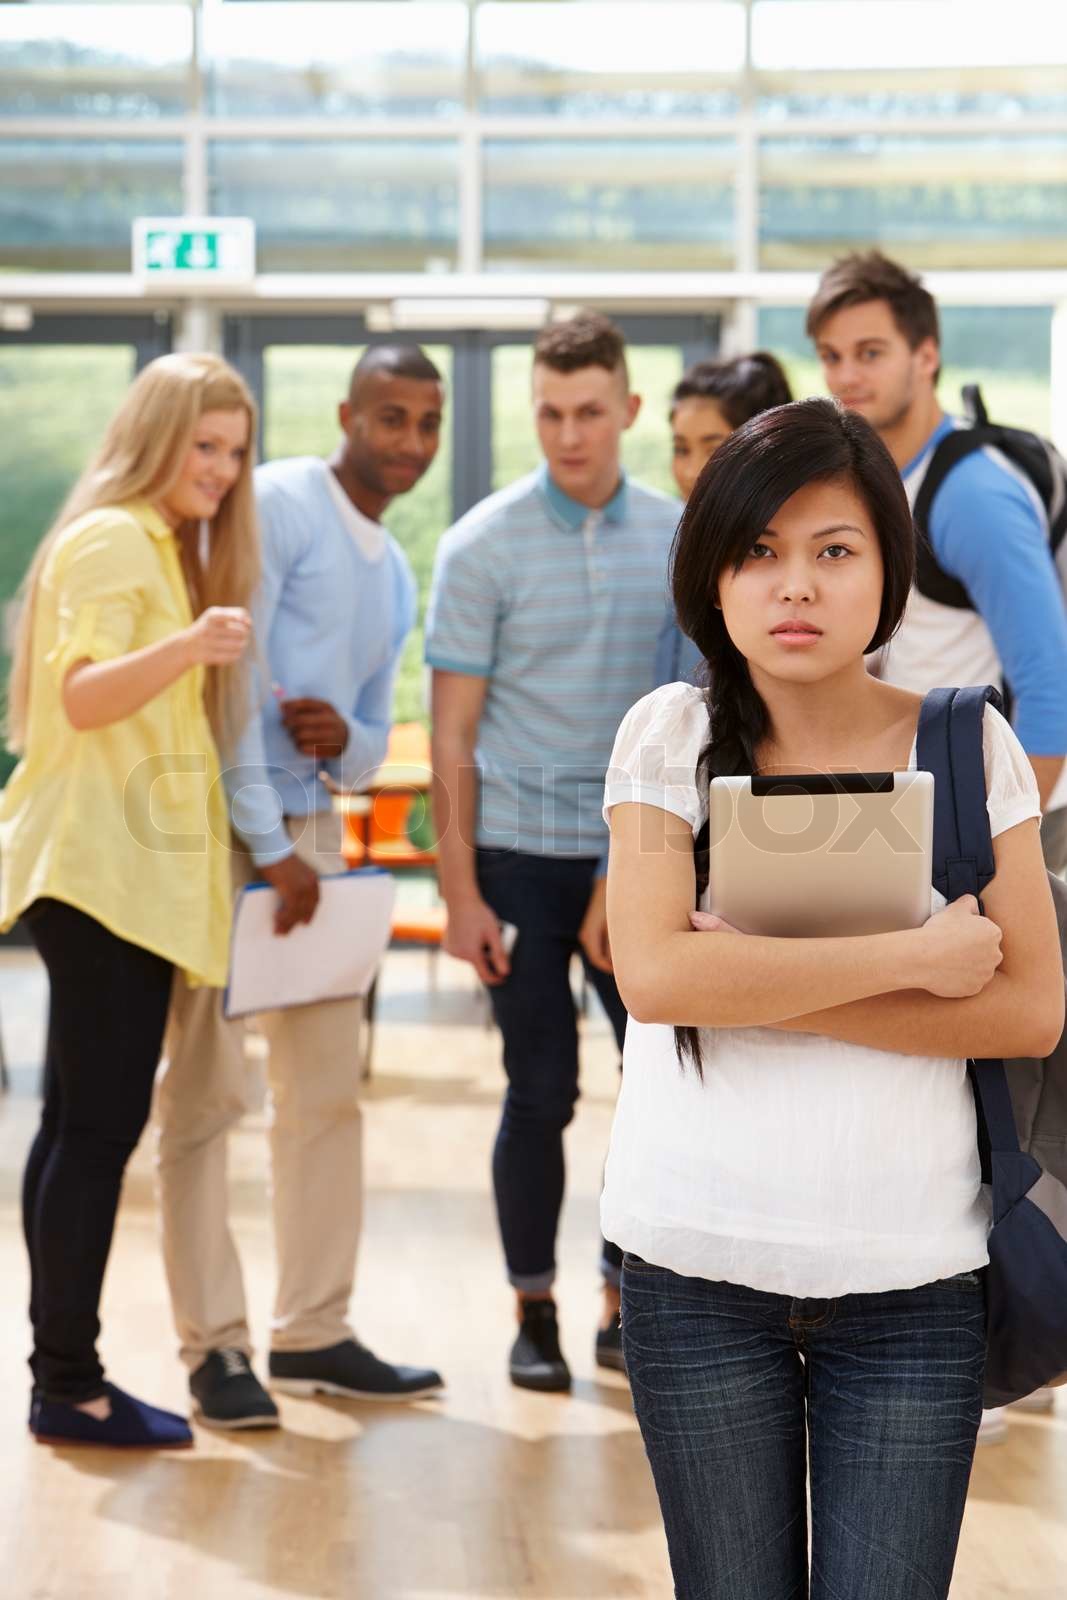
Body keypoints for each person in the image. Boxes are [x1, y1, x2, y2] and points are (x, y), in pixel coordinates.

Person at [602, 397, 1064, 1599]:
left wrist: (744, 978)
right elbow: (654, 976)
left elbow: (1026, 1010)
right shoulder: (669, 735)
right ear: (712, 575)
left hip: (912, 1276)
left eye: (832, 550)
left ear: (885, 571)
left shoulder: (969, 748)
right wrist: (909, 958)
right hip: (692, 1266)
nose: (791, 585)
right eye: (757, 552)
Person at [155, 344, 445, 1430]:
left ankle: (313, 1331)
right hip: (232, 837)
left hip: (311, 838)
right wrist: (267, 839)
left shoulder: (397, 570)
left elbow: (367, 751)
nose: (408, 442)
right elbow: (228, 684)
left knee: (325, 1095)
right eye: (390, 417)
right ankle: (213, 1349)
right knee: (205, 1095)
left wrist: (350, 735)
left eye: (426, 422)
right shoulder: (277, 505)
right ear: (346, 414)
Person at [0, 353, 258, 1448]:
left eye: (236, 452)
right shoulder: (116, 537)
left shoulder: (152, 542)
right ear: (155, 437)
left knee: (77, 1128)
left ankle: (65, 1374)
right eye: (203, 445)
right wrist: (192, 645)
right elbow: (80, 692)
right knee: (93, 1133)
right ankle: (70, 1383)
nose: (220, 469)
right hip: (103, 880)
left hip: (114, 883)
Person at [427, 311, 679, 1390]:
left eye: (587, 411)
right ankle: (532, 1309)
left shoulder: (680, 535)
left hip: (647, 855)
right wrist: (456, 894)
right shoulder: (476, 543)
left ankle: (627, 1298)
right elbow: (448, 736)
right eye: (547, 412)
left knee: (659, 1086)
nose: (567, 434)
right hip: (516, 857)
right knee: (539, 1091)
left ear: (626, 409)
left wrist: (631, 868)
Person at [807, 251, 1067, 875]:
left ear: (926, 356)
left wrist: (998, 849)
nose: (848, 375)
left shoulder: (970, 495)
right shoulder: (884, 484)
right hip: (948, 808)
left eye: (870, 353)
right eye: (832, 355)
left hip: (1022, 816)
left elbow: (1053, 684)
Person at [656, 352, 793, 687]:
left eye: (712, 448)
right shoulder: (688, 540)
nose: (690, 472)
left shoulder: (781, 553)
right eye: (681, 449)